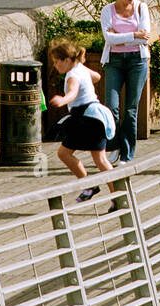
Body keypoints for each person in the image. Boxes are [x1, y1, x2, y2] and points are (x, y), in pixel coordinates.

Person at [47, 40, 119, 203]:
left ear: (66, 60)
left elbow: (72, 92)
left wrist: (63, 100)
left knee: (64, 153)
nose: (55, 66)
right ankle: (118, 196)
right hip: (98, 115)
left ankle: (88, 184)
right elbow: (97, 77)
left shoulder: (72, 75)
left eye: (56, 62)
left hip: (87, 118)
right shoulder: (80, 68)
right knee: (100, 159)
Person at [100, 0, 153, 165]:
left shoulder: (141, 8)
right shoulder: (108, 10)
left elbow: (144, 38)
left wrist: (121, 37)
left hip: (136, 61)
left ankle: (127, 153)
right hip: (114, 61)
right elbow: (108, 38)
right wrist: (133, 35)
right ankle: (113, 146)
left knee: (131, 109)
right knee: (111, 107)